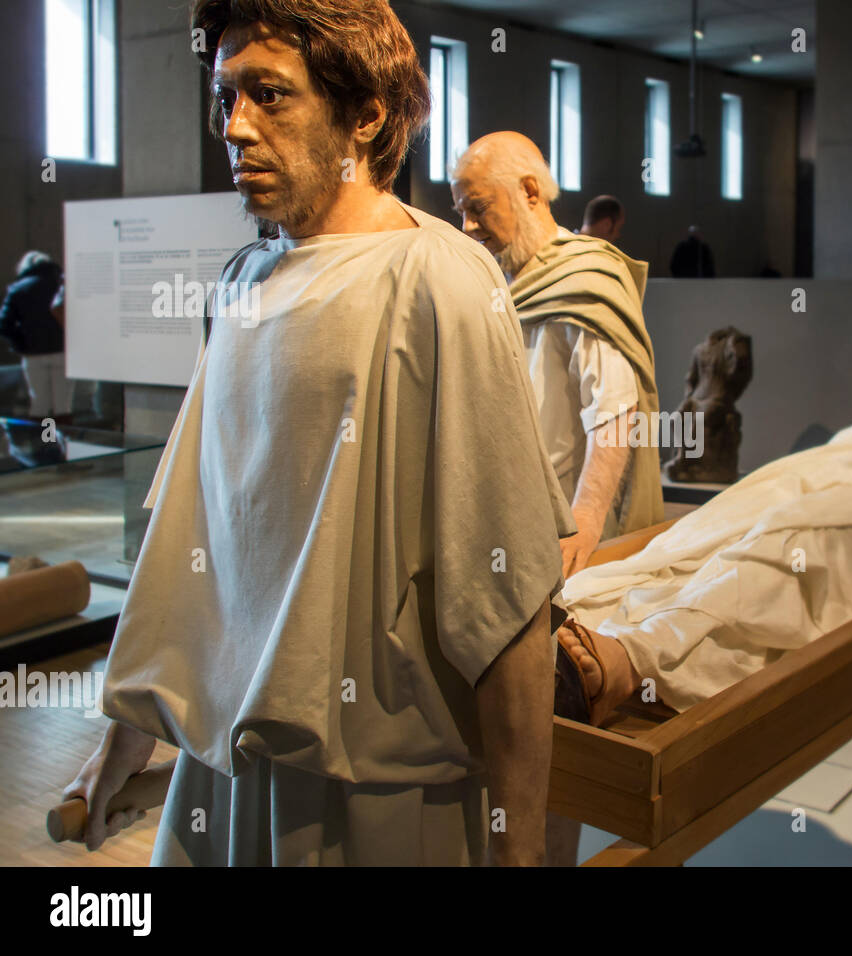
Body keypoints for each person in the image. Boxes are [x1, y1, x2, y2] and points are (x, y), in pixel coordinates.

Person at [64, 0, 573, 867]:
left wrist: (521, 849)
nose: (236, 127)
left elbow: (509, 602)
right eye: (226, 97)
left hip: (373, 796)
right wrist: (122, 745)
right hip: (220, 764)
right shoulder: (239, 282)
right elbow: (195, 544)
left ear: (366, 115)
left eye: (270, 95)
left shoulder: (439, 279)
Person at [555, 385, 852, 725]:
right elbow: (835, 455)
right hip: (810, 484)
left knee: (789, 548)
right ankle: (585, 613)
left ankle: (630, 657)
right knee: (703, 540)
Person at [451, 132, 663, 576]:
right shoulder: (497, 282)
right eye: (462, 212)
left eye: (478, 207)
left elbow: (614, 411)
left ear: (529, 192)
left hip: (563, 536)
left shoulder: (586, 278)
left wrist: (585, 520)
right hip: (502, 524)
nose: (467, 226)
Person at [0, 251, 71, 419]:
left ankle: (43, 441)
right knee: (63, 406)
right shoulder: (61, 285)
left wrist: (20, 344)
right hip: (62, 351)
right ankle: (61, 442)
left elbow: (4, 324)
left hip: (33, 354)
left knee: (39, 404)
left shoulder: (18, 288)